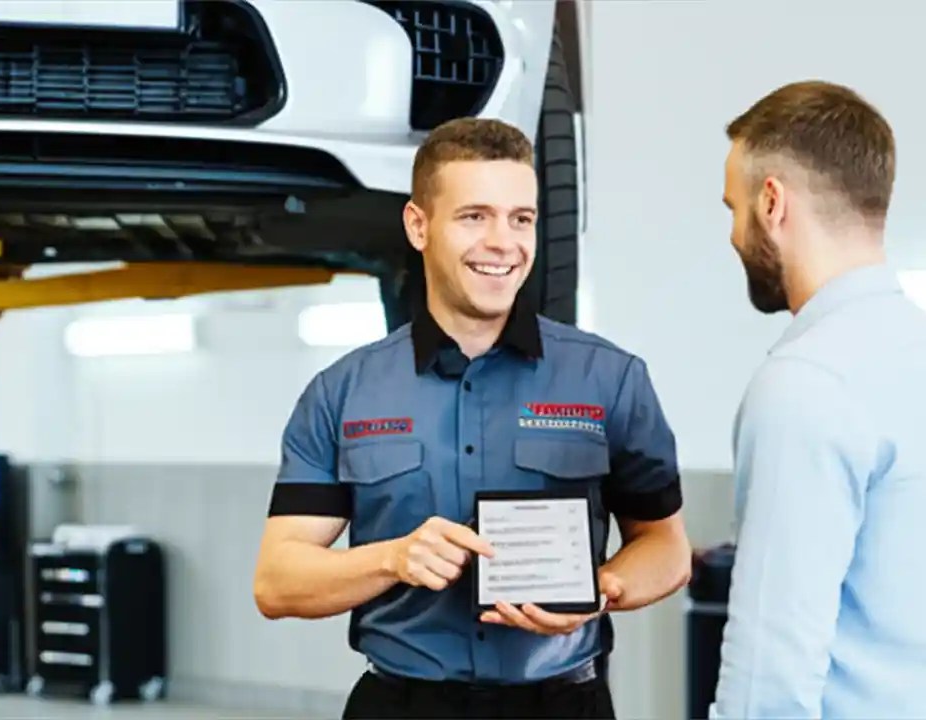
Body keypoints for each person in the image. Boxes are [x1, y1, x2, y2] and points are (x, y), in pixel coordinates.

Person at [253, 117, 692, 719]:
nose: (503, 243)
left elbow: (666, 545)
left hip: (563, 705)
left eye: (521, 218)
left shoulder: (610, 379)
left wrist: (604, 588)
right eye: (474, 216)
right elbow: (278, 580)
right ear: (418, 225)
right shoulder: (343, 393)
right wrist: (391, 557)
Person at [710, 80, 926, 718]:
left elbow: (769, 671)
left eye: (731, 207)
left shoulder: (806, 382)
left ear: (772, 202)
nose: (733, 234)